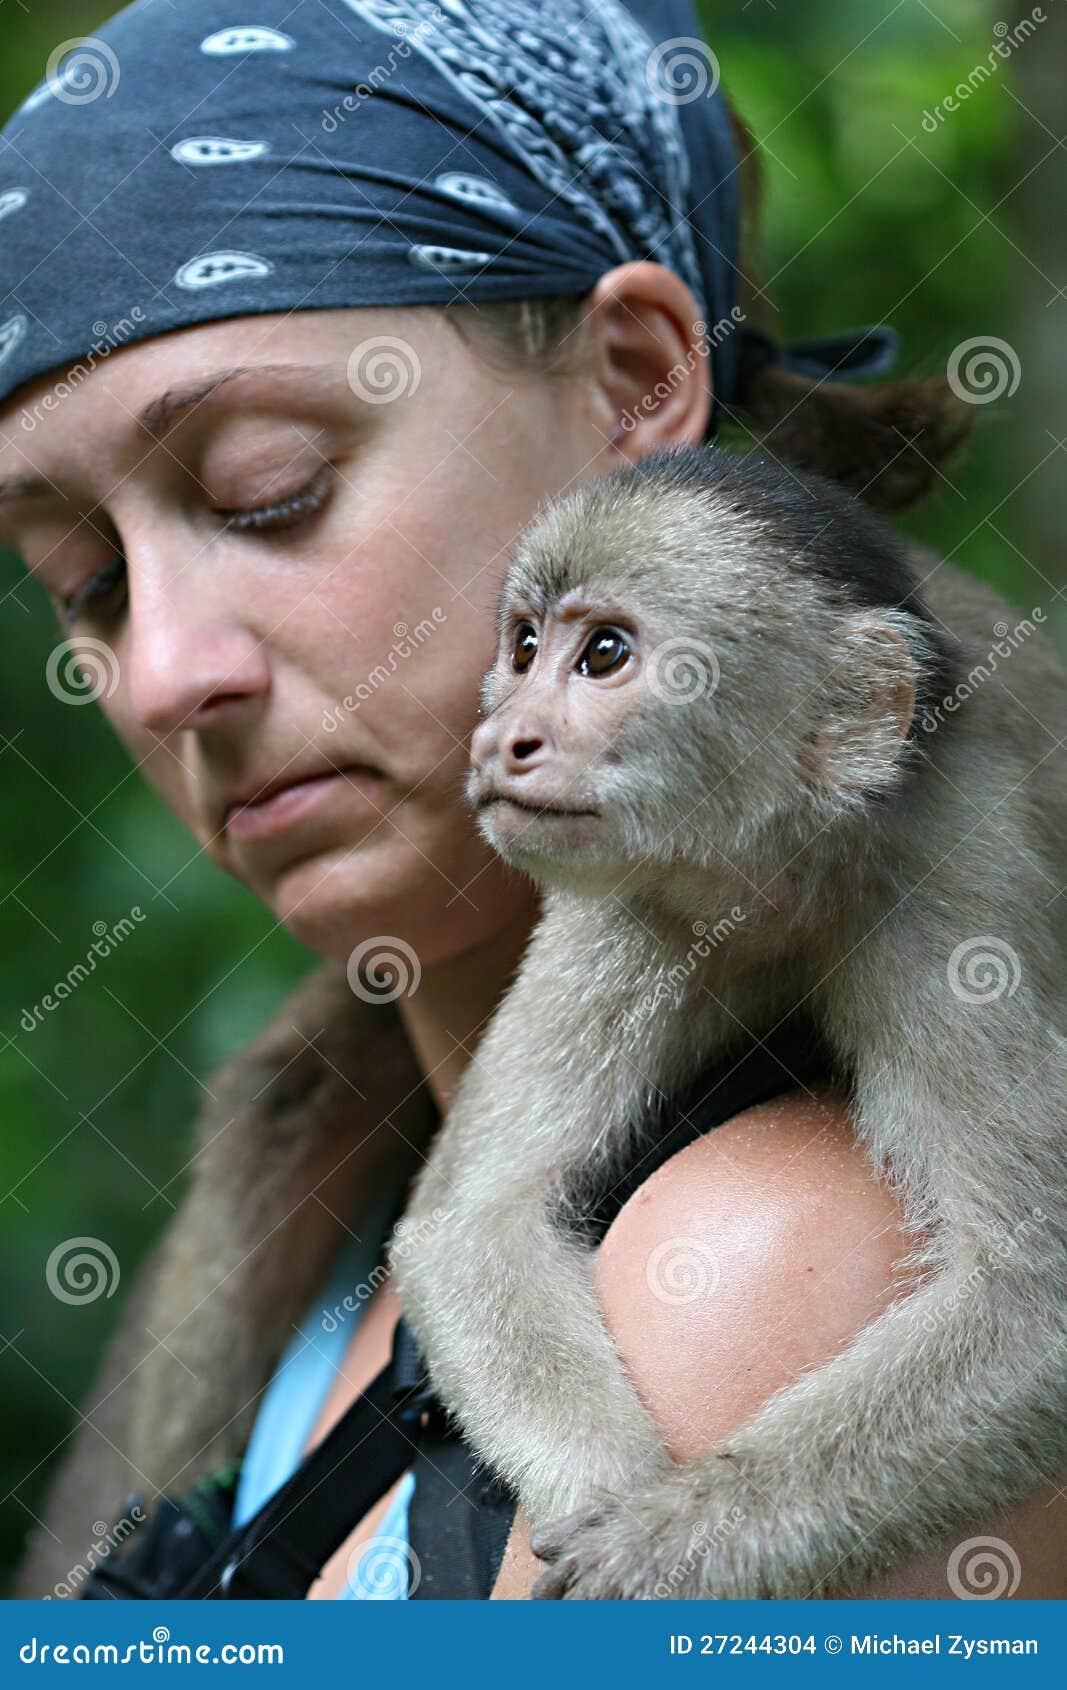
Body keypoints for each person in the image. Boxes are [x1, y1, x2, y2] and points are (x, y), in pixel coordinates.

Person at [2, 0, 1063, 1601]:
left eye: (266, 491)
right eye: (82, 584)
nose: (158, 674)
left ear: (633, 390)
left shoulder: (778, 1259)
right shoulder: (354, 1204)